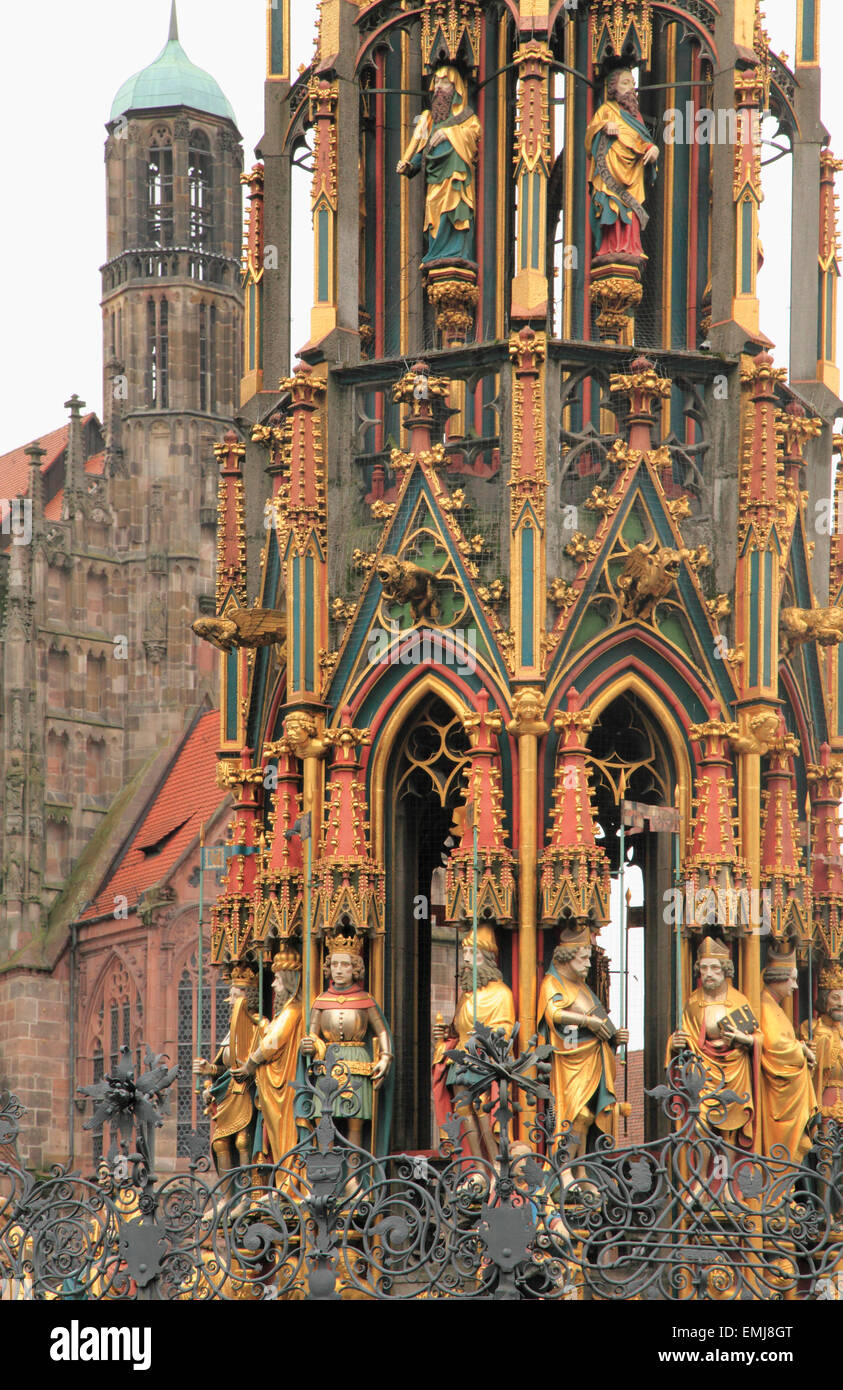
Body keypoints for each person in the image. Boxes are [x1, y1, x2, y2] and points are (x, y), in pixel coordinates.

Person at [538, 925, 628, 1168]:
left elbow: (603, 1024)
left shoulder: (584, 988)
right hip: (568, 1061)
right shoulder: (552, 982)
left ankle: (579, 1171)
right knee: (570, 1115)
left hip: (592, 1060)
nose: (589, 963)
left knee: (586, 1117)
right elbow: (553, 1013)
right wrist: (588, 1021)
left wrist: (615, 1038)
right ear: (567, 958)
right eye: (584, 958)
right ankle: (562, 1170)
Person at [300, 931, 393, 1155]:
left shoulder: (366, 1000)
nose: (339, 970)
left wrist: (385, 1057)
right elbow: (312, 1035)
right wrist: (309, 1046)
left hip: (358, 1061)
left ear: (356, 968)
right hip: (327, 1064)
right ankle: (326, 1173)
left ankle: (354, 1179)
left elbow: (381, 1030)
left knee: (355, 1120)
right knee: (325, 1120)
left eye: (345, 964)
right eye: (334, 965)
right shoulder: (320, 1001)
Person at [667, 935, 760, 1149]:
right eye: (704, 968)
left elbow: (757, 1036)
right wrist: (674, 1043)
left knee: (730, 1129)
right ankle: (700, 1177)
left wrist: (744, 1039)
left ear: (725, 970)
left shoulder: (739, 1000)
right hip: (704, 1070)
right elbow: (687, 1038)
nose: (708, 974)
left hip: (735, 1069)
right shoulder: (692, 1002)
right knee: (700, 1124)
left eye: (715, 968)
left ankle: (727, 1178)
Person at [432, 926, 515, 1163]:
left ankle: (496, 1166)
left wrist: (485, 1042)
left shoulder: (501, 994)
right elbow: (459, 1027)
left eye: (473, 953)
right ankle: (476, 1166)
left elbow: (505, 1028)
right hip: (460, 1059)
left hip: (483, 1059)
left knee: (482, 1109)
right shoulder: (466, 995)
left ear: (487, 958)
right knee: (463, 1110)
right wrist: (446, 1032)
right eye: (465, 952)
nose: (466, 959)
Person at [396, 65, 482, 265]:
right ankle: (437, 253)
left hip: (457, 178)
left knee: (456, 213)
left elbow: (474, 135)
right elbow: (422, 150)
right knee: (435, 215)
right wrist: (409, 167)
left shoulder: (467, 117)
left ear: (456, 88)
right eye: (436, 82)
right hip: (435, 181)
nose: (438, 87)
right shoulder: (428, 120)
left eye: (444, 82)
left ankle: (458, 254)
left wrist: (449, 134)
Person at [232, 944, 303, 1168]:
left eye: (278, 981)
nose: (272, 985)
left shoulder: (292, 1010)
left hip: (283, 1084)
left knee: (283, 1134)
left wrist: (250, 1065)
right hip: (274, 1082)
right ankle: (282, 1181)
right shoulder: (287, 1010)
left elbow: (272, 1043)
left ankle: (287, 1183)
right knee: (275, 1135)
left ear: (289, 982)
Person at [193, 960, 261, 1175]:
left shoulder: (258, 1025)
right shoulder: (231, 1032)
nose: (229, 1001)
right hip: (228, 1094)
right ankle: (227, 1194)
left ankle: (249, 1192)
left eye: (235, 995)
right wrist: (209, 1070)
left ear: (248, 996)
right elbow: (225, 1069)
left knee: (243, 1140)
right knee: (221, 1143)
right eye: (230, 995)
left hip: (248, 1093)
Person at [585, 67, 658, 261]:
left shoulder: (637, 117)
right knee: (612, 207)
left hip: (633, 172)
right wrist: (603, 126)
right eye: (625, 83)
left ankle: (631, 247)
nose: (631, 88)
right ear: (613, 88)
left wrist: (653, 149)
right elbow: (588, 137)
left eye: (633, 84)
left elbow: (643, 139)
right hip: (609, 170)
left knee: (630, 212)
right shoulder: (606, 110)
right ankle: (609, 248)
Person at [757, 946, 817, 1161]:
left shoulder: (775, 1006)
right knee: (787, 1150)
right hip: (780, 1098)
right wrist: (801, 1050)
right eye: (791, 980)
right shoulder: (765, 1005)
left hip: (789, 1095)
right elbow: (775, 1046)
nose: (795, 986)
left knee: (798, 1147)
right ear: (777, 979)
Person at [804, 963, 843, 1125]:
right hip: (823, 1096)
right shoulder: (811, 1027)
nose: (841, 1003)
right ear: (824, 999)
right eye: (835, 998)